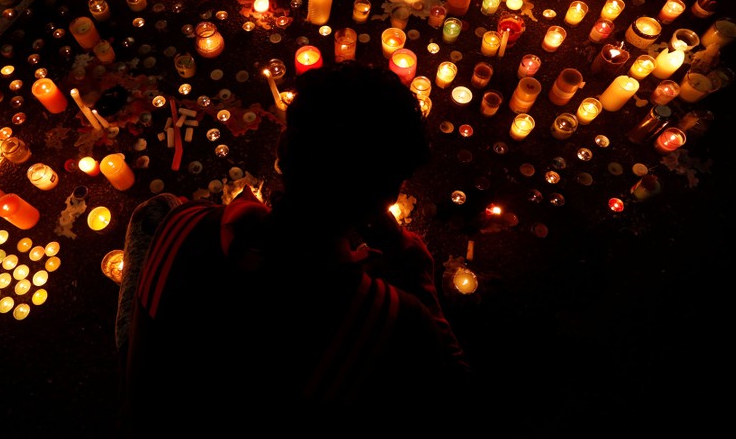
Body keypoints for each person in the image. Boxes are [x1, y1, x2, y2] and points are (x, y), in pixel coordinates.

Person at [117, 61, 472, 432]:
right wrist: (418, 281)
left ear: (283, 149)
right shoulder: (390, 319)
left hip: (154, 406)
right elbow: (455, 393)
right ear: (386, 196)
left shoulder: (183, 224)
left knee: (157, 209)